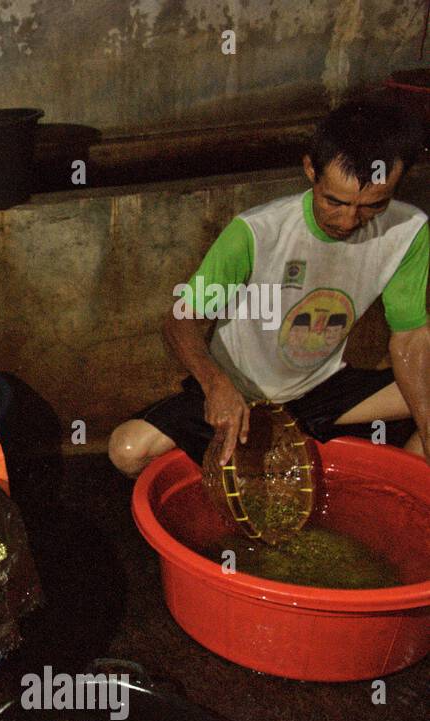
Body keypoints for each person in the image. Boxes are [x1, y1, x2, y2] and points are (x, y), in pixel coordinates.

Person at [109, 99, 430, 476]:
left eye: (372, 206)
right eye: (334, 201)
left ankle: (394, 498)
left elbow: (409, 339)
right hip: (242, 392)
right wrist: (216, 385)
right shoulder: (257, 233)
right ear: (310, 168)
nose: (349, 220)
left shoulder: (408, 232)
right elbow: (179, 322)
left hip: (322, 388)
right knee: (127, 450)